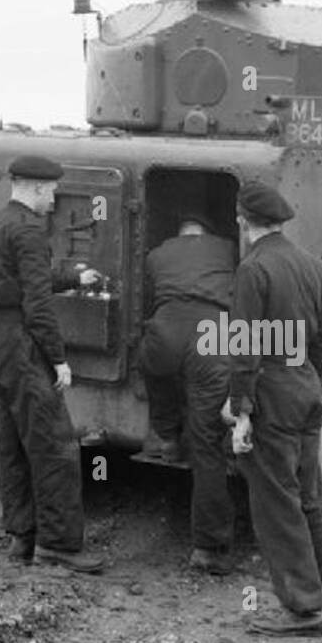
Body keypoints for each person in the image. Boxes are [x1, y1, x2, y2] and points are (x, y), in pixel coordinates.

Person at [0, 154, 105, 573]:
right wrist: (59, 358)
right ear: (33, 188)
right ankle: (60, 545)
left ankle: (22, 536)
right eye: (50, 191)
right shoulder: (29, 230)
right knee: (55, 444)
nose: (53, 199)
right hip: (22, 343)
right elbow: (37, 303)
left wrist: (73, 278)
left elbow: (19, 281)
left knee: (12, 443)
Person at [223, 181, 322, 636]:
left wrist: (242, 410)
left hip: (271, 394)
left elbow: (244, 345)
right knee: (311, 499)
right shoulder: (311, 265)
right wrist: (307, 377)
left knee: (276, 505)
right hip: (305, 389)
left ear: (242, 221)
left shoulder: (253, 269)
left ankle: (303, 608)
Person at [139, 207, 238, 573]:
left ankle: (165, 436)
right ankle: (208, 549)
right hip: (211, 334)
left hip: (164, 329)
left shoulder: (157, 254)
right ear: (208, 232)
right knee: (207, 445)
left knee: (154, 370)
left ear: (178, 232)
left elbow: (149, 295)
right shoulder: (227, 247)